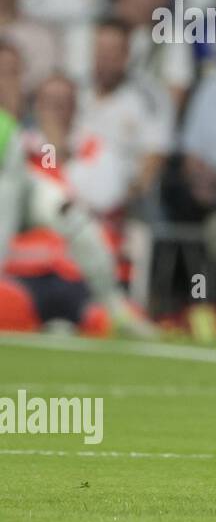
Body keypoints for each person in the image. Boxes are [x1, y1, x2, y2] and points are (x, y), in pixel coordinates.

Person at [0, 42, 152, 337]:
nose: (6, 83)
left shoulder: (84, 146)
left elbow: (100, 197)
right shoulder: (22, 140)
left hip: (69, 275)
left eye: (12, 74)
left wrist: (60, 153)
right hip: (20, 275)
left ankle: (113, 308)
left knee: (73, 217)